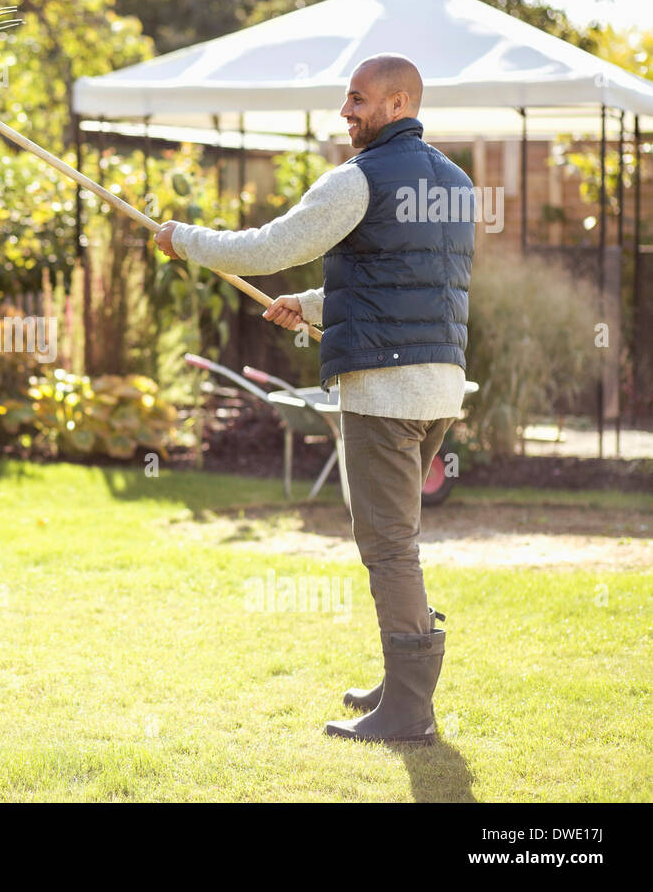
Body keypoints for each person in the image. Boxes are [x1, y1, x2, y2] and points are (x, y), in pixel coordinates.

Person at [154, 53, 475, 745]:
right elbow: (403, 291)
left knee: (388, 547)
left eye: (357, 99)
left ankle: (410, 712)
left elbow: (269, 246)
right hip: (438, 388)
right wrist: (310, 305)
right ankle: (401, 682)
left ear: (397, 103)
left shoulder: (357, 179)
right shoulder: (455, 184)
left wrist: (185, 240)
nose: (345, 111)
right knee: (399, 540)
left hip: (386, 394)